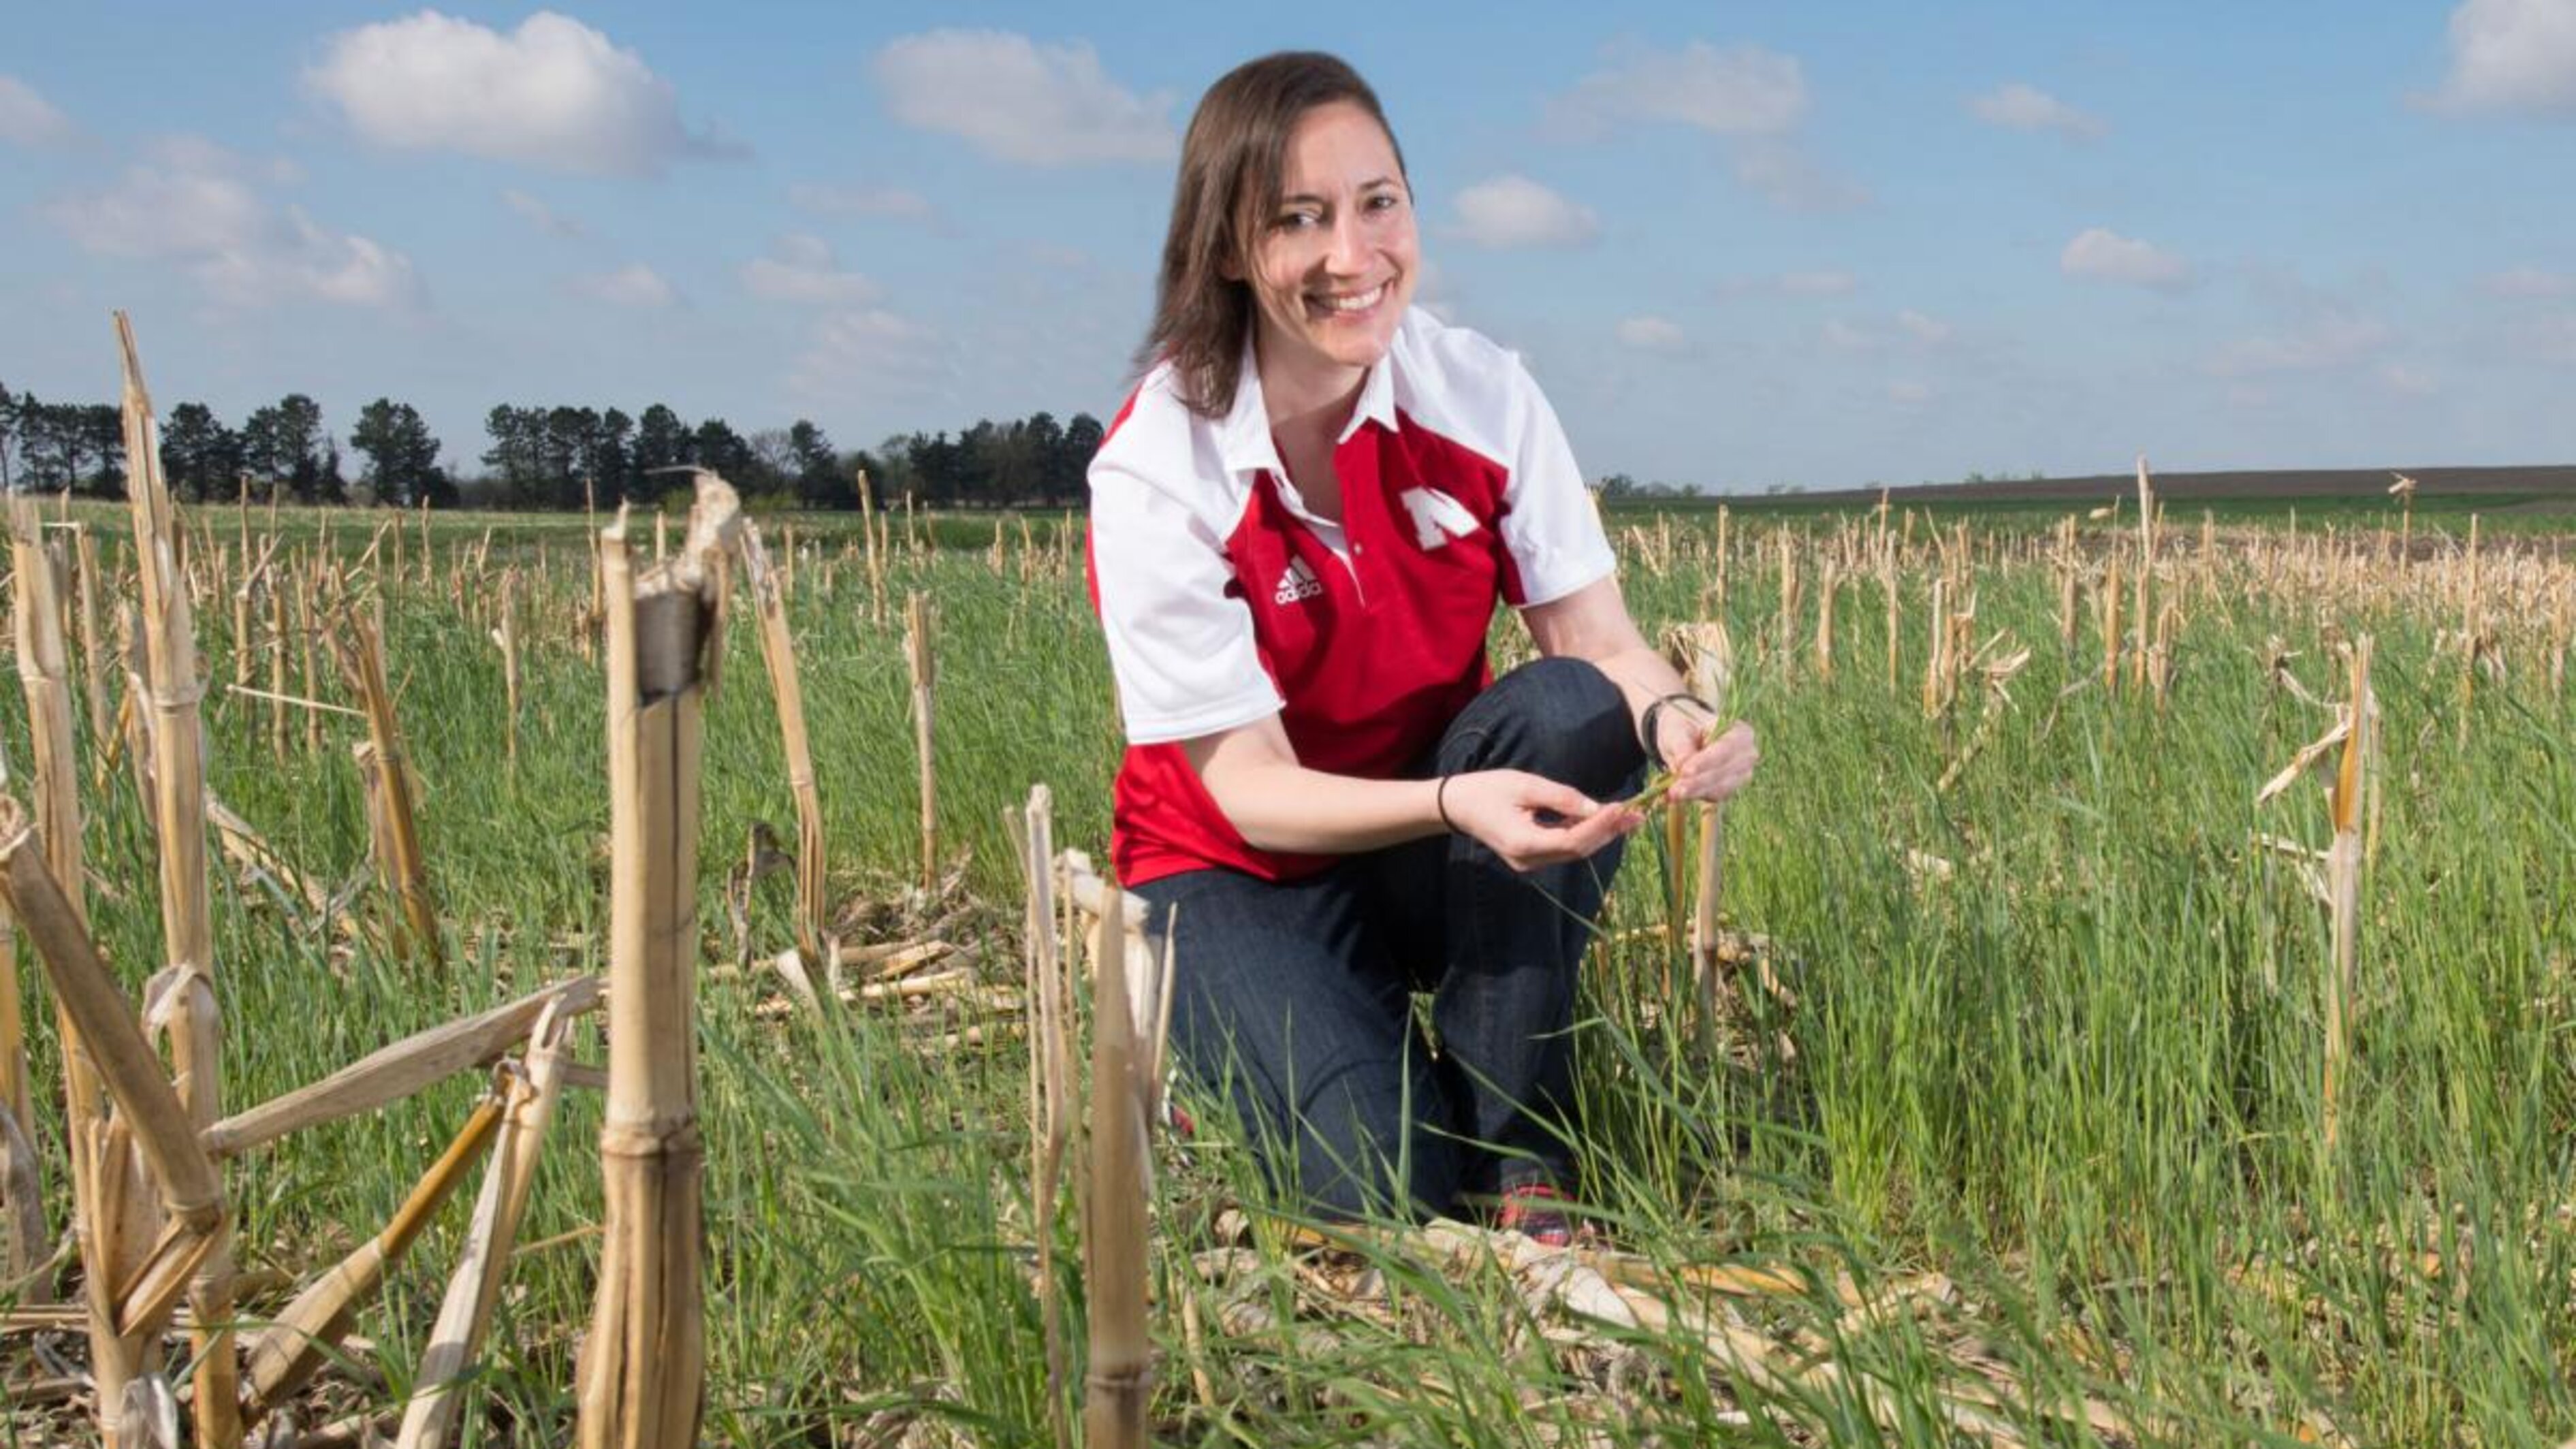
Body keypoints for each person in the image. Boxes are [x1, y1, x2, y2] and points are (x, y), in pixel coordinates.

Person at [1086, 50, 1758, 1241]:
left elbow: (1601, 645)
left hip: (1432, 838)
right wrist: (1452, 804)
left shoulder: (1482, 394)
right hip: (1235, 867)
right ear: (1229, 246)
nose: (1354, 256)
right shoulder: (1158, 466)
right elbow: (1247, 789)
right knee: (1384, 1197)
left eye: (1378, 202)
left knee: (1573, 706)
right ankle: (1241, 1042)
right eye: (1299, 219)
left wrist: (1675, 717)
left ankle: (1519, 1142)